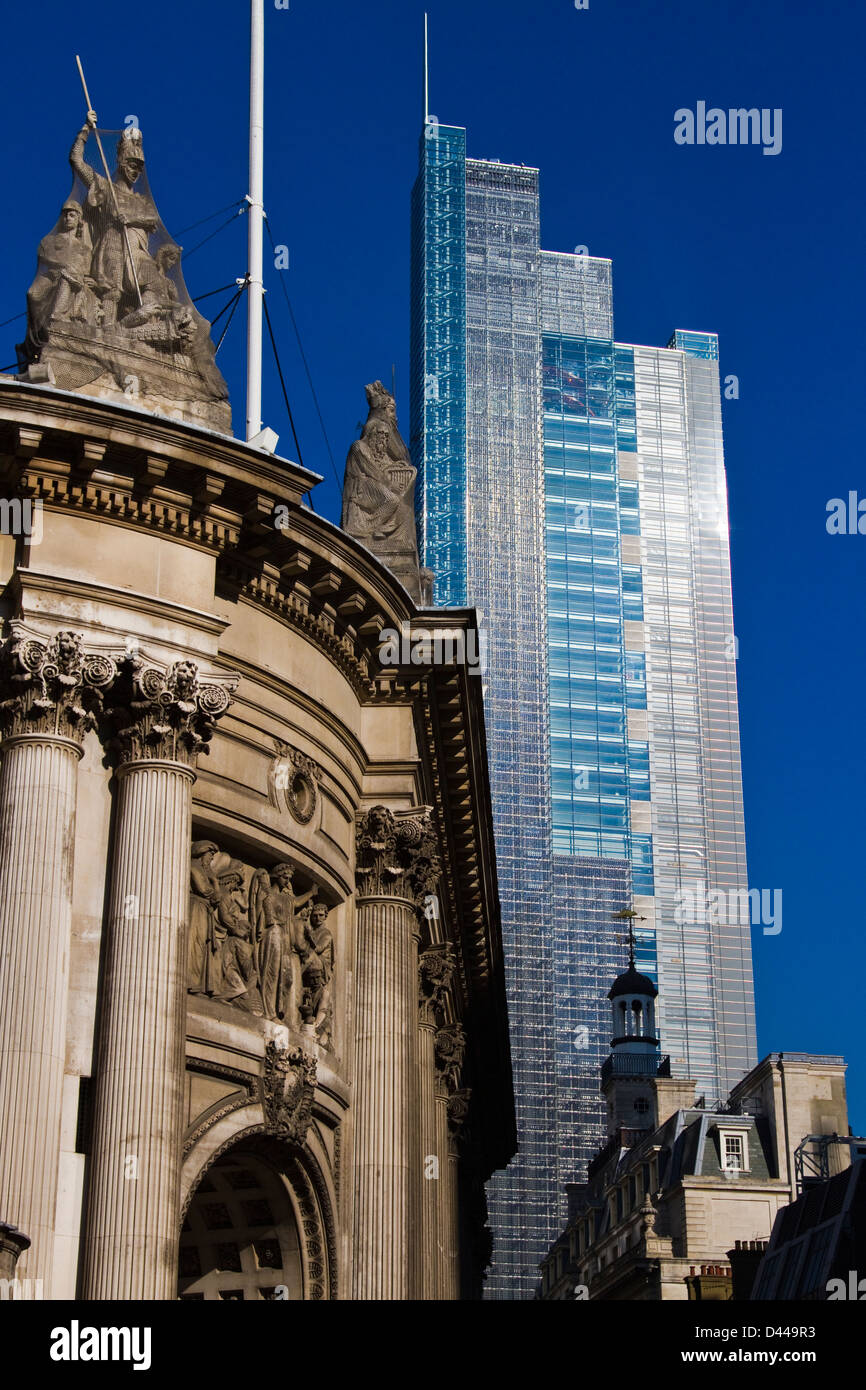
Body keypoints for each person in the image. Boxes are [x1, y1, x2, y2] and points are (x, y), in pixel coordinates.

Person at [69, 112, 160, 324]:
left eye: (138, 168)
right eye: (131, 165)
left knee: (151, 276)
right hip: (111, 243)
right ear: (121, 162)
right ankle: (108, 331)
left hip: (135, 248)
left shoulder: (141, 200)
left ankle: (146, 325)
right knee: (112, 290)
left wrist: (130, 218)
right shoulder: (104, 186)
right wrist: (85, 130)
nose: (135, 171)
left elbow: (152, 221)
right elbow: (76, 159)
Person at [23, 201, 97, 357]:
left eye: (72, 215)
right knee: (32, 294)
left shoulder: (84, 249)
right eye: (65, 215)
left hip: (72, 280)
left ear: (79, 220)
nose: (67, 218)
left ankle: (56, 320)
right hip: (50, 276)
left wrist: (89, 280)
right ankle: (38, 331)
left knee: (67, 279)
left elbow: (86, 270)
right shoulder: (50, 240)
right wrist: (60, 265)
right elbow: (44, 255)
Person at [187, 841, 222, 995]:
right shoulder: (194, 868)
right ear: (201, 853)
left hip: (203, 910)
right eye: (210, 855)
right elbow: (208, 892)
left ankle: (197, 983)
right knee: (195, 944)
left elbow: (216, 898)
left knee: (201, 945)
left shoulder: (203, 871)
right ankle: (191, 982)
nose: (210, 860)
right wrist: (214, 882)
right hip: (196, 908)